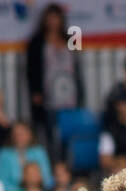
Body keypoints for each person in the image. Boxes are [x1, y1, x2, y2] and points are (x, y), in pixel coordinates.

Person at [25, 2, 83, 147]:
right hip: (49, 96)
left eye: (56, 18)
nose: (53, 22)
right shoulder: (37, 41)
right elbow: (31, 69)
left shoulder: (71, 37)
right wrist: (36, 92)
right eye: (50, 18)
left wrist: (81, 91)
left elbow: (77, 66)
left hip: (69, 95)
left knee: (69, 134)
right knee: (49, 133)